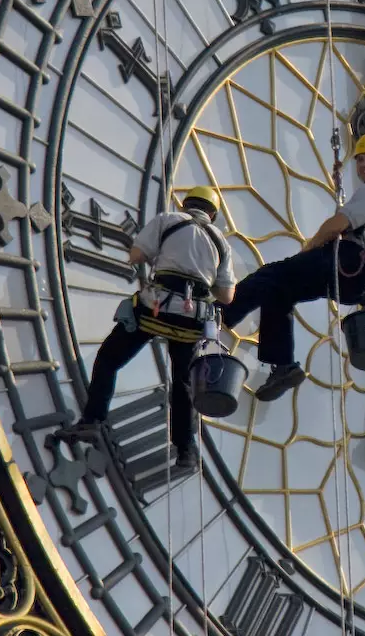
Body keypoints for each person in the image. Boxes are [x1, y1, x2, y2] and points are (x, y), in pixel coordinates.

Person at [56, 187, 236, 468]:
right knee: (183, 383)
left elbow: (136, 255)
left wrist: (163, 257)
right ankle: (185, 450)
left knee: (109, 359)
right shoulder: (220, 242)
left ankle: (92, 420)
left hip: (155, 310)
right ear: (212, 214)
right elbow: (226, 296)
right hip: (190, 322)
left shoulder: (168, 220)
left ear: (186, 204)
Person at [221, 131, 365, 402]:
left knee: (272, 274)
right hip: (363, 280)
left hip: (351, 261)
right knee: (280, 291)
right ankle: (283, 365)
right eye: (361, 160)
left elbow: (337, 224)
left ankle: (220, 314)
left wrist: (309, 248)